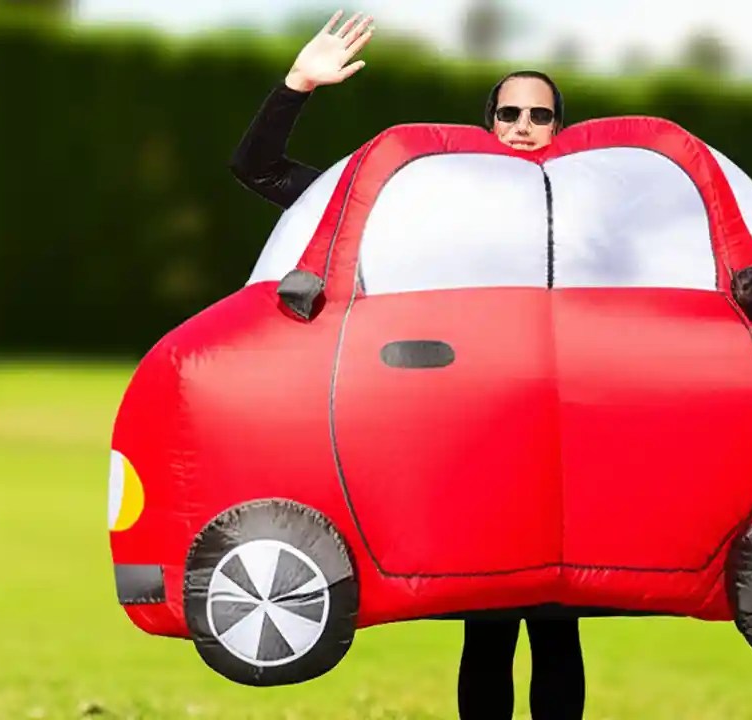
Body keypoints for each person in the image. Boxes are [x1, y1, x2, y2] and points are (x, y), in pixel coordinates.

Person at [228, 10, 584, 720]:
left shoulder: (588, 215)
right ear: (488, 126)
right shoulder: (429, 208)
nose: (522, 126)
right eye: (509, 113)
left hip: (563, 432)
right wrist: (298, 84)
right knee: (488, 619)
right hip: (474, 432)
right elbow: (258, 169)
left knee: (557, 622)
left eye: (539, 116)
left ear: (559, 130)